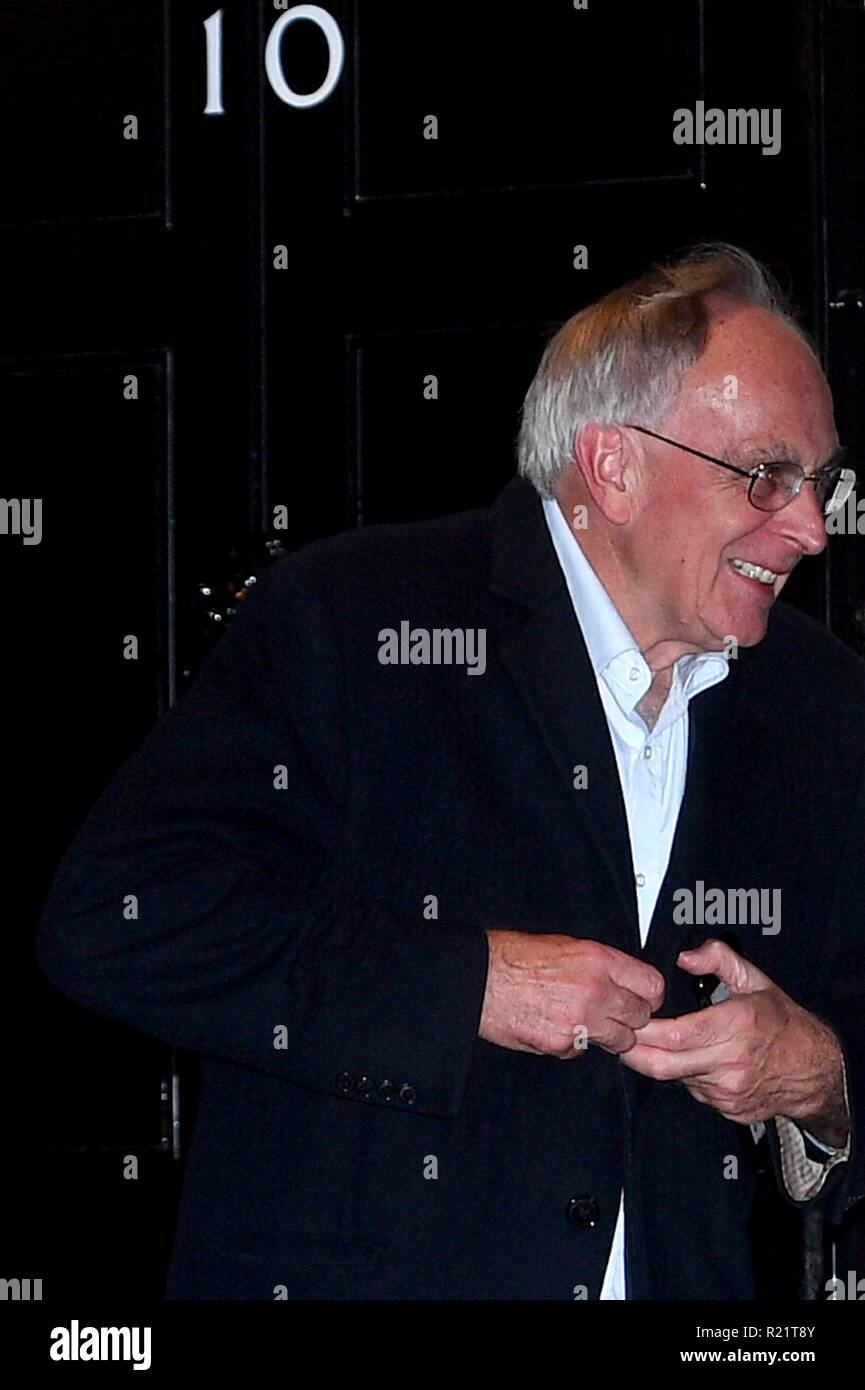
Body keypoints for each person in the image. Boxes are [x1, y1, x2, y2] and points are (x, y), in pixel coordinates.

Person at [37, 244, 865, 1300]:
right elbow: (117, 919)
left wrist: (822, 1079)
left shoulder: (820, 703)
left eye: (821, 481)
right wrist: (468, 983)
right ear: (613, 464)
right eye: (766, 475)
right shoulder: (356, 619)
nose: (807, 527)